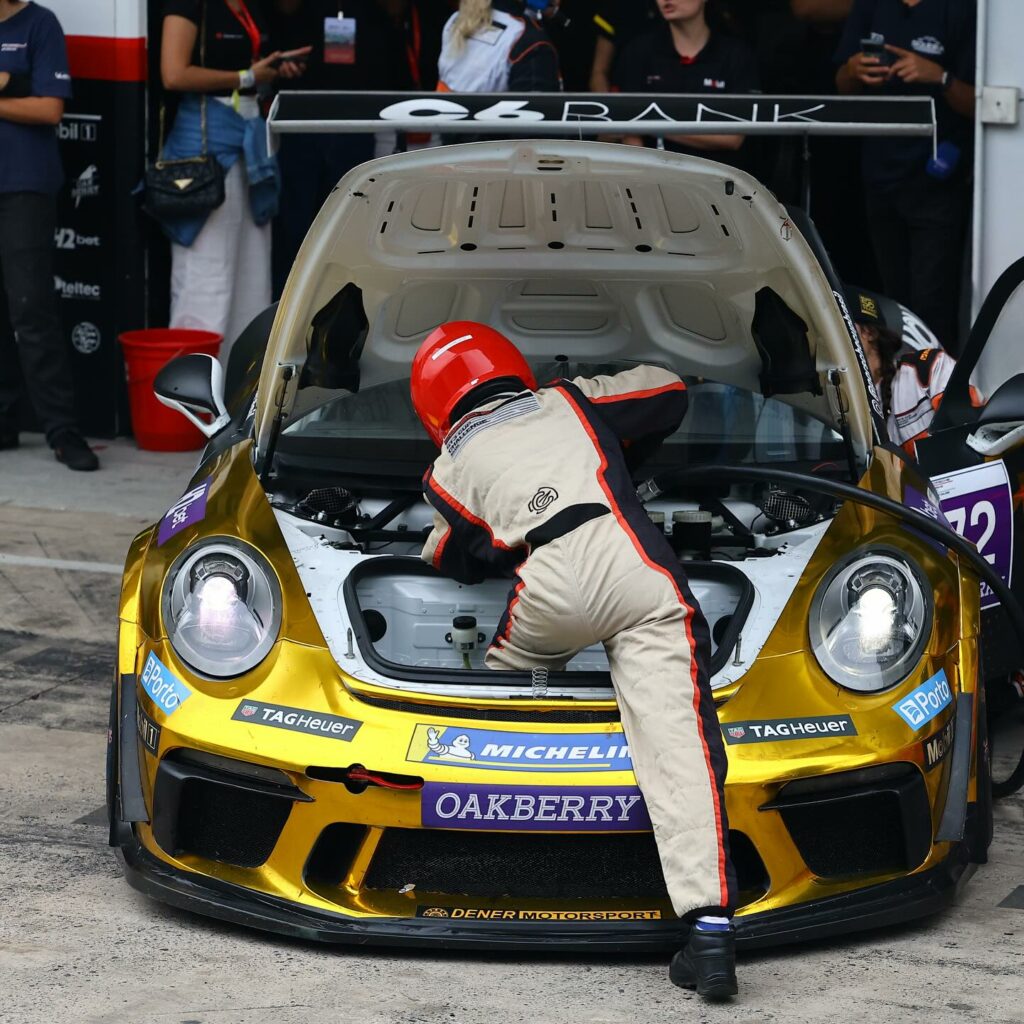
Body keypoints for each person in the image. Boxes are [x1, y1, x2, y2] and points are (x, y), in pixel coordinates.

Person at [411, 321, 738, 1002]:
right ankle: (708, 931)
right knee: (679, 743)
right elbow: (668, 390)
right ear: (513, 369)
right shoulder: (569, 400)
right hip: (636, 570)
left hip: (547, 594)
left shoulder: (445, 469)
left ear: (434, 410)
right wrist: (619, 444)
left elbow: (454, 552)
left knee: (497, 712)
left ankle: (479, 880)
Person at [159, 0, 308, 363]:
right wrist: (246, 77)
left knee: (252, 278)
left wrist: (270, 71)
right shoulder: (189, 4)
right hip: (206, 150)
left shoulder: (250, 6)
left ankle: (240, 394)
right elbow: (173, 74)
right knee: (205, 278)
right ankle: (193, 400)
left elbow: (248, 70)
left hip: (250, 146)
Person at [836, 0, 977, 353]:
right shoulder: (871, 6)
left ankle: (937, 395)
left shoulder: (962, 9)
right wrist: (854, 70)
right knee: (892, 305)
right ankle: (898, 396)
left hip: (938, 179)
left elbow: (985, 102)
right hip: (879, 175)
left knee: (932, 304)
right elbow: (840, 86)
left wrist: (939, 76)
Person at [0, 0, 97, 470]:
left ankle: (62, 430)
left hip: (24, 185)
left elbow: (48, 108)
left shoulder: (39, 24)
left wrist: (12, 93)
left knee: (30, 309)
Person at [267, 0, 409, 296]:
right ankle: (288, 305)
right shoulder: (301, 14)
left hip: (358, 121)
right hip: (302, 122)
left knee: (351, 223)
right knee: (297, 225)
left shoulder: (374, 14)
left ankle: (344, 301)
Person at [617, 0, 760, 167]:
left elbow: (733, 138)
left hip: (718, 180)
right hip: (654, 178)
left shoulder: (736, 55)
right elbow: (631, 134)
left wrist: (649, 124)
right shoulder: (639, 51)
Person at [846, 286, 970, 455]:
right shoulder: (844, 403)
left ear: (869, 332)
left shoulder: (927, 368)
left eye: (841, 325)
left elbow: (969, 435)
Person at [437, 0, 561, 93]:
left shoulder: (457, 19)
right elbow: (536, 123)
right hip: (483, 126)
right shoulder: (531, 44)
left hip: (441, 125)